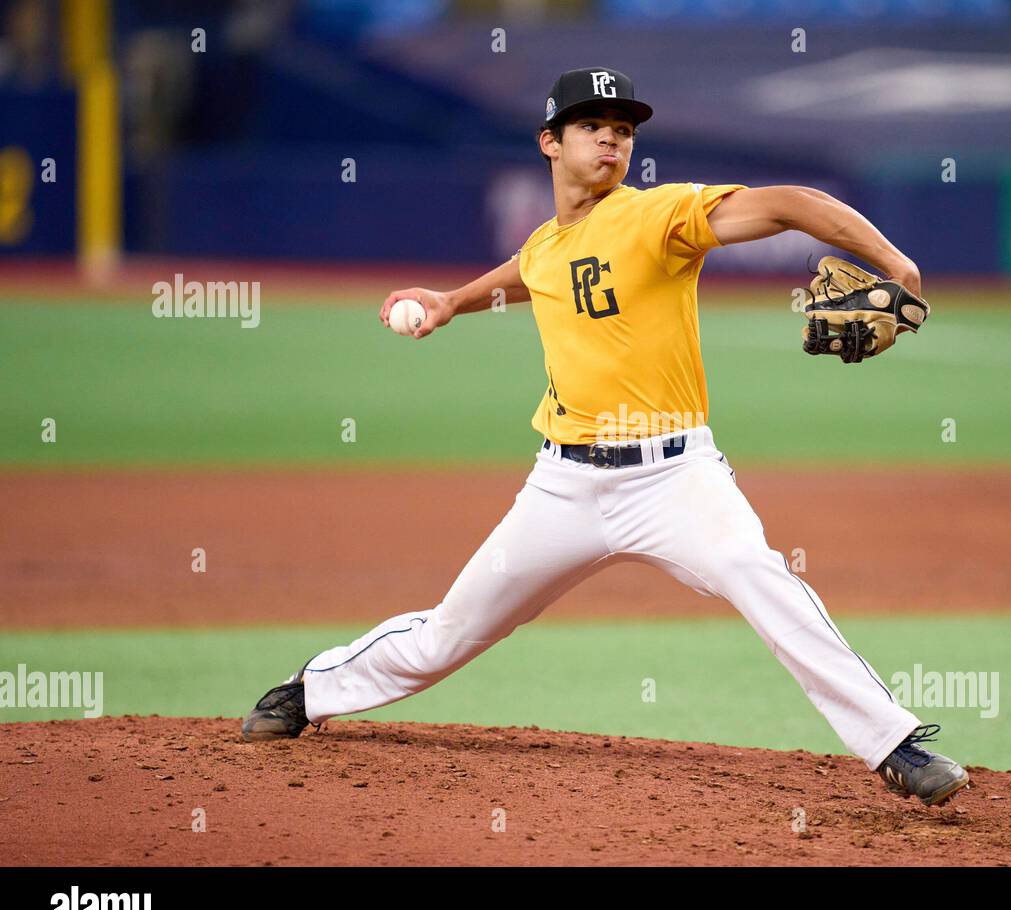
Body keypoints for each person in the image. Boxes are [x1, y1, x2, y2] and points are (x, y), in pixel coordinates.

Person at [241, 67, 969, 808]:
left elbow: (793, 204)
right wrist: (452, 301)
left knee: (759, 575)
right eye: (594, 126)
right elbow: (532, 272)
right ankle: (315, 689)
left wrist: (894, 261)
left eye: (623, 129)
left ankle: (894, 745)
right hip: (563, 487)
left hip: (676, 478)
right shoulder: (546, 245)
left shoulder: (659, 216)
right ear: (550, 143)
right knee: (451, 632)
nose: (612, 139)